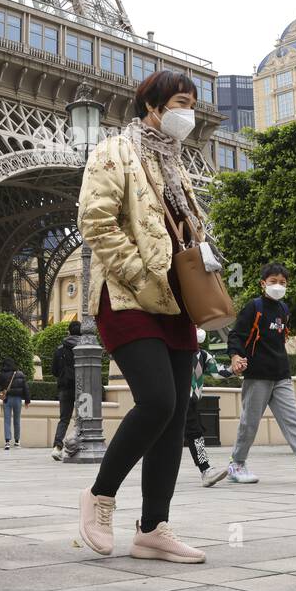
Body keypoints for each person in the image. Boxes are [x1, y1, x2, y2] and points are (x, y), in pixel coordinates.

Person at [76, 70, 212, 564]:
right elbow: (95, 220)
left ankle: (154, 527)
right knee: (156, 401)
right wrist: (137, 271)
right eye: (180, 101)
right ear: (152, 104)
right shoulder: (114, 150)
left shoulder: (178, 163)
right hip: (129, 296)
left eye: (193, 104)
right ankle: (100, 497)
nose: (188, 113)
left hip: (176, 303)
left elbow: (182, 231)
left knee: (174, 419)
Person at [225, 264, 296, 485]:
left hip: (281, 375)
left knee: (293, 419)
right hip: (257, 375)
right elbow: (236, 335)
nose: (278, 286)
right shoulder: (254, 307)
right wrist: (235, 357)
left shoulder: (284, 310)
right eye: (273, 281)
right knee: (249, 423)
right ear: (263, 284)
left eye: (282, 283)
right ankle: (236, 464)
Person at [187, 327, 232, 486]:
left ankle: (206, 470)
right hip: (173, 399)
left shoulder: (203, 355)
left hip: (190, 403)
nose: (198, 329)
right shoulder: (173, 352)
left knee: (195, 434)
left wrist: (234, 368)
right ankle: (205, 470)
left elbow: (218, 372)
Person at [50, 321, 81, 460]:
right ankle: (78, 445)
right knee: (83, 418)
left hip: (64, 387)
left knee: (64, 419)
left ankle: (57, 447)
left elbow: (54, 371)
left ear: (69, 332)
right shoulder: (85, 347)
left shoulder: (60, 349)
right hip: (82, 388)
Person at [0, 357, 32, 450]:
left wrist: (1, 393)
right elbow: (26, 388)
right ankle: (17, 441)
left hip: (6, 399)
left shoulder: (1, 374)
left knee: (7, 420)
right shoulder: (20, 374)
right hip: (18, 400)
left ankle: (7, 442)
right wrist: (27, 401)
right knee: (17, 420)